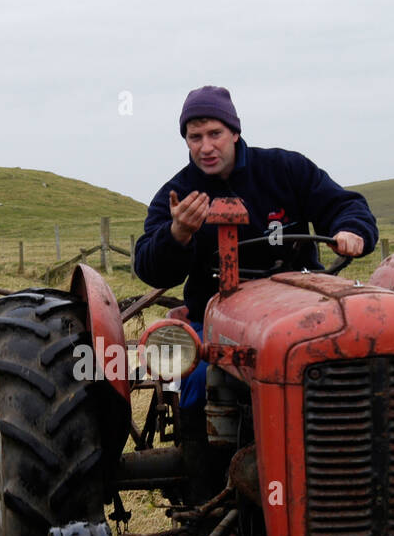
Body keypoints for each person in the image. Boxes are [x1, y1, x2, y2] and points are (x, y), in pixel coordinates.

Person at [134, 85, 379, 409]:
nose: (206, 146)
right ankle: (202, 454)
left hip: (304, 308)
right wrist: (177, 233)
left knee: (356, 360)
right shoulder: (178, 194)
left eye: (214, 133)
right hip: (215, 321)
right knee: (197, 378)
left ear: (234, 132)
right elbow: (150, 267)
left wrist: (352, 230)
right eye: (195, 137)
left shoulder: (286, 170)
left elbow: (344, 206)